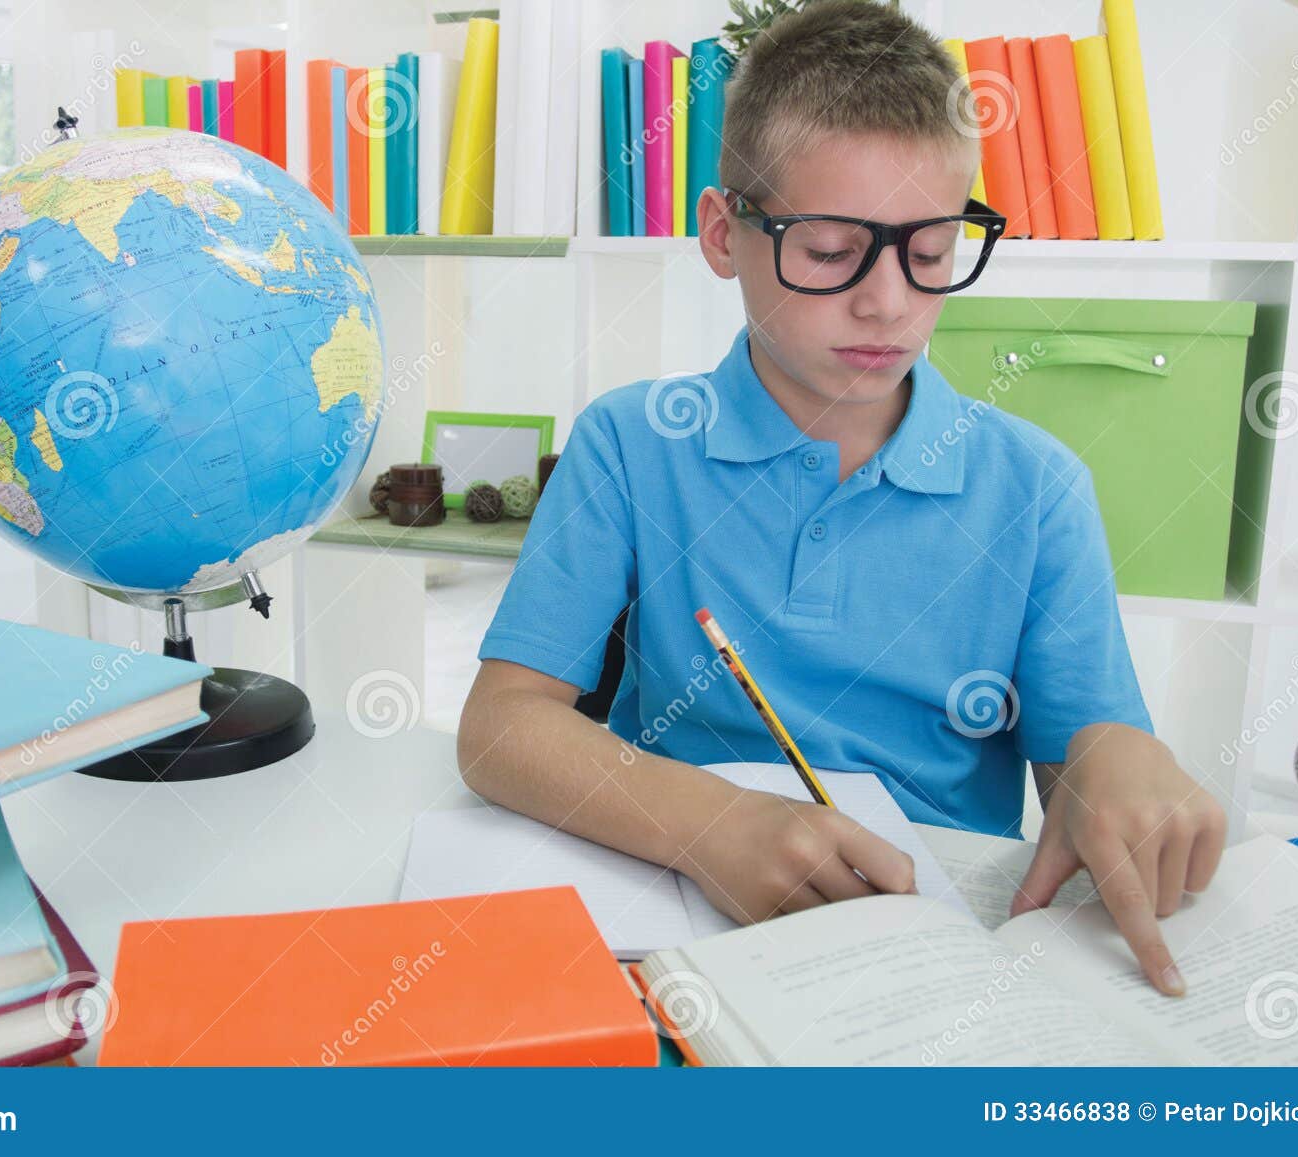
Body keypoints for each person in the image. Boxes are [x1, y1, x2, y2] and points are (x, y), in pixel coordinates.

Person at [456, 0, 1225, 996]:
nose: (888, 302)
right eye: (828, 251)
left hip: (928, 955)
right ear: (724, 234)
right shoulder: (631, 443)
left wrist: (1117, 756)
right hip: (674, 916)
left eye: (932, 249)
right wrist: (711, 825)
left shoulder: (1035, 489)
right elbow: (501, 727)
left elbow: (1082, 769)